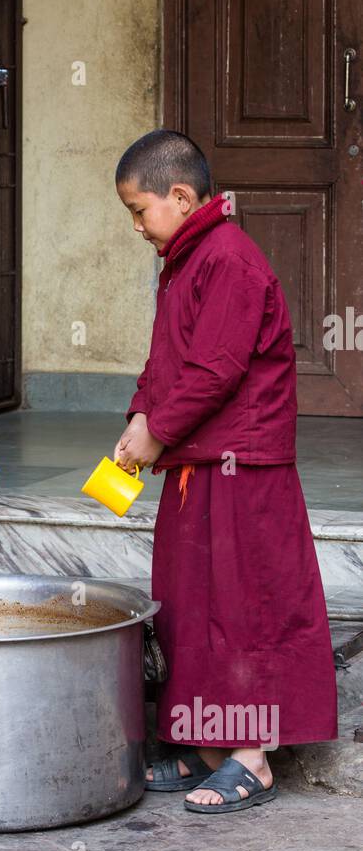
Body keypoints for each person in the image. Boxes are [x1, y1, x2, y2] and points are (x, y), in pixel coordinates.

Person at [114, 130, 337, 814]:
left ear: (180, 197)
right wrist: (138, 418)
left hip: (243, 466)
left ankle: (251, 758)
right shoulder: (184, 259)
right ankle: (207, 745)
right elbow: (168, 360)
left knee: (240, 608)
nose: (136, 226)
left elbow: (216, 371)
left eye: (139, 209)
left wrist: (160, 430)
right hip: (197, 464)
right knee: (190, 606)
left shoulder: (230, 260)